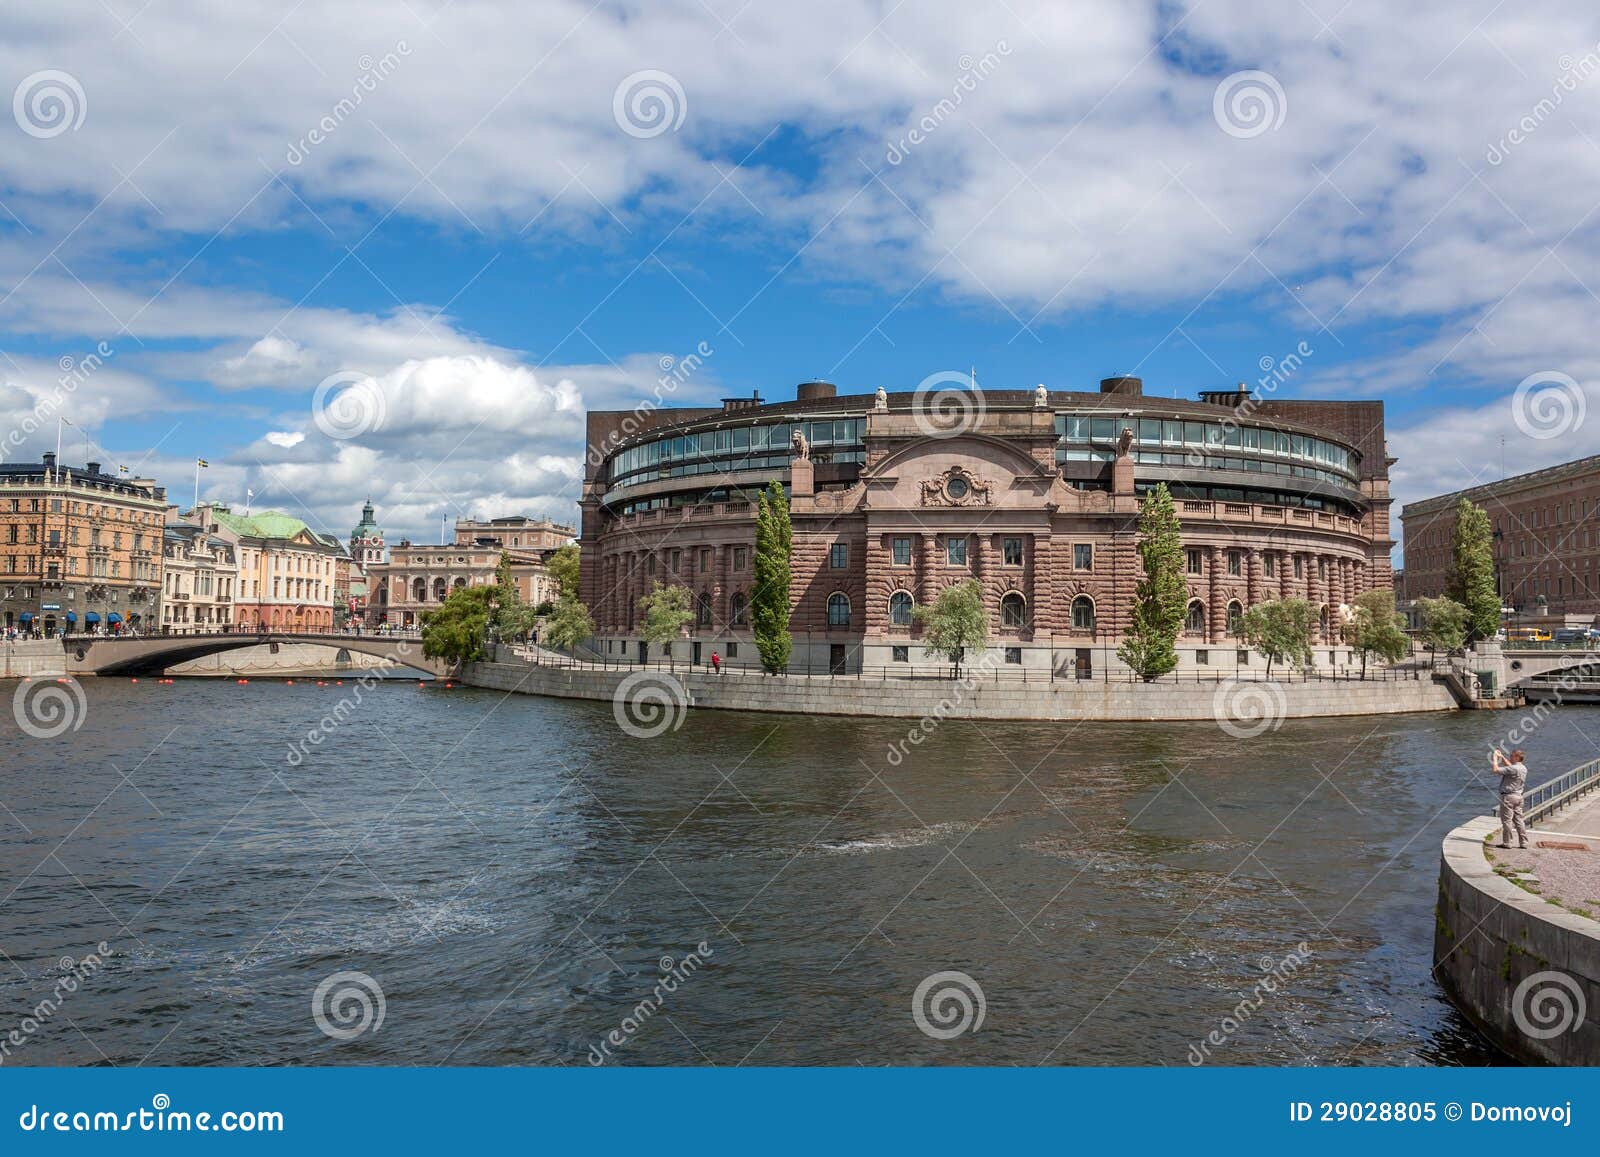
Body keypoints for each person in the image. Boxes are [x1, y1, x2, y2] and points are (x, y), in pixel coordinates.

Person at [1492, 747, 1529, 849]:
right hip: (1518, 797)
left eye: (1512, 755)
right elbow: (1510, 766)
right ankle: (1524, 842)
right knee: (1519, 820)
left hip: (1508, 797)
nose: (1510, 757)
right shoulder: (1523, 768)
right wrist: (1502, 757)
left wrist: (1495, 758)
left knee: (1507, 821)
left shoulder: (1513, 769)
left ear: (1517, 757)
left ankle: (1507, 843)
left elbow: (1495, 770)